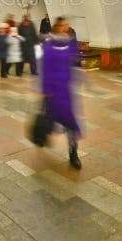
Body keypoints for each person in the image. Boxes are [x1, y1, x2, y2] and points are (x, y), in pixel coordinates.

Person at [41, 17, 82, 169]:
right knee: (49, 118)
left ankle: (73, 154)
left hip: (67, 91)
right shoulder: (49, 46)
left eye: (67, 25)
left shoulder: (70, 44)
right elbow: (45, 69)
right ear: (57, 27)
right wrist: (46, 91)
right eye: (63, 25)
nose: (66, 27)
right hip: (53, 91)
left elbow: (75, 61)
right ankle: (42, 134)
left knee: (71, 123)